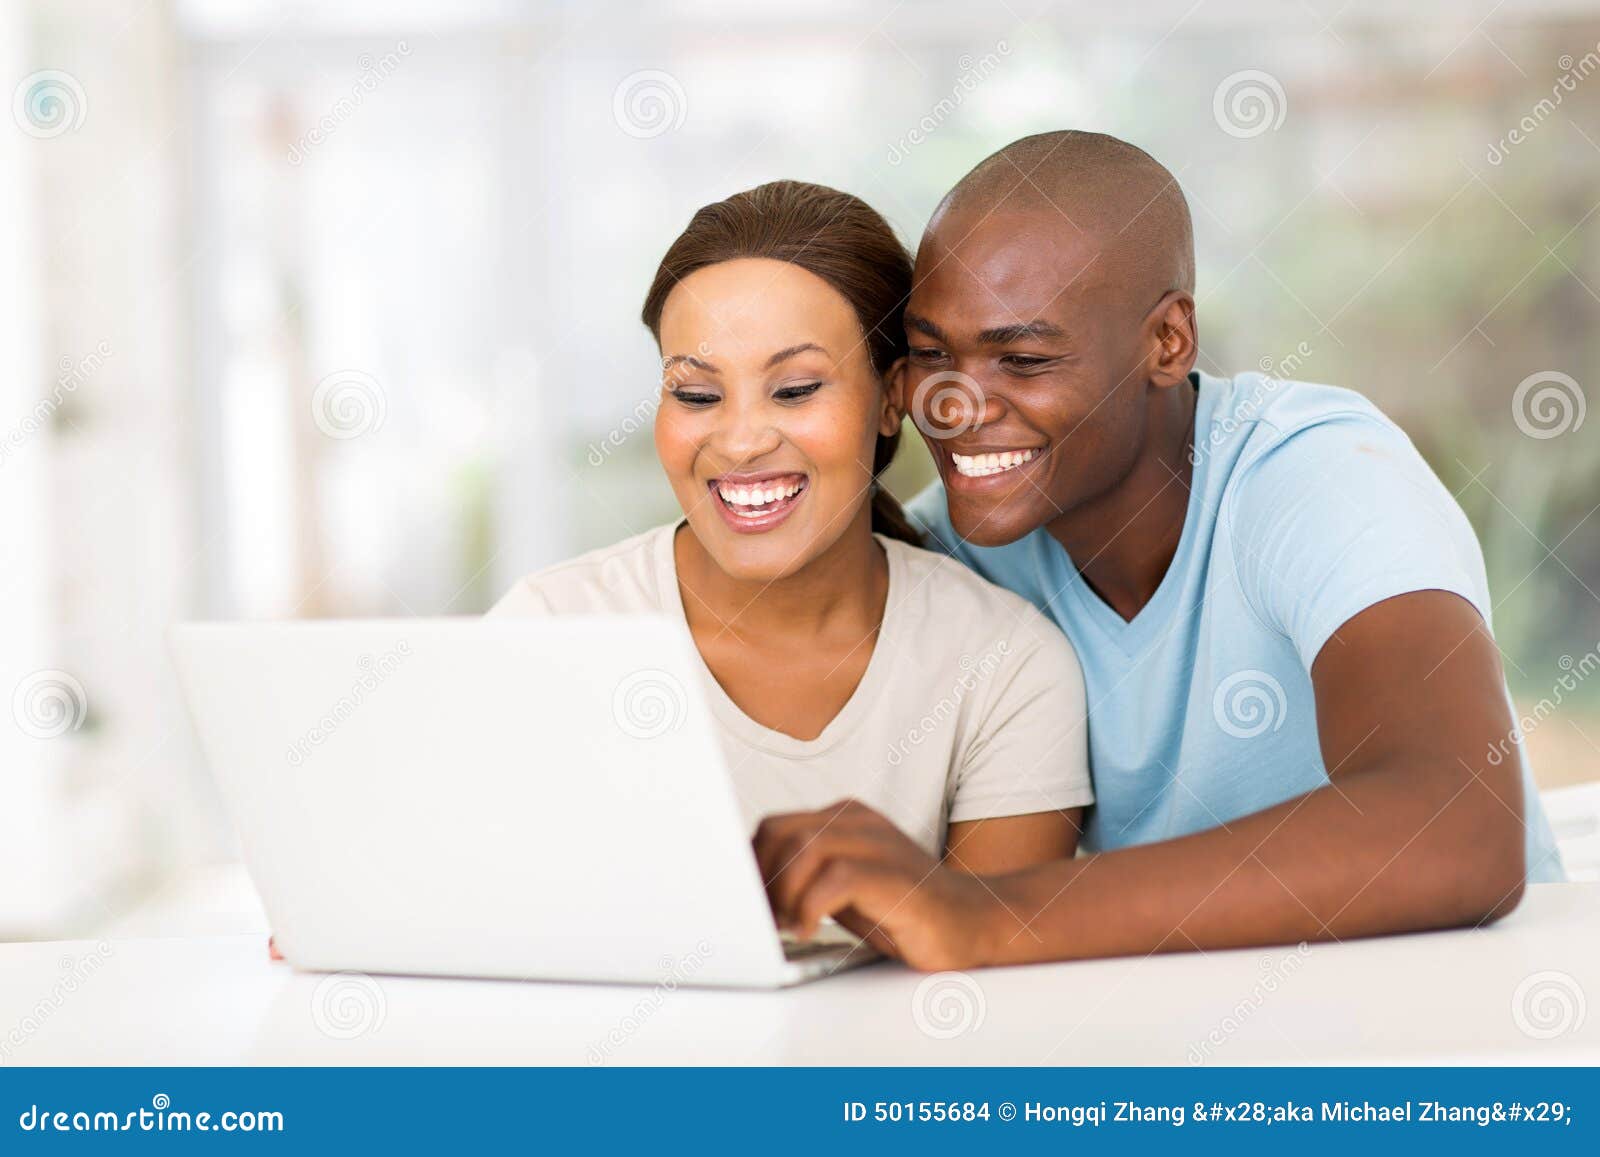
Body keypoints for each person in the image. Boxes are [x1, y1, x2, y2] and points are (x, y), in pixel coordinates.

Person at [752, 132, 1564, 971]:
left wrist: (983, 915)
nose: (953, 406)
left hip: (1467, 1010)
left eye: (1023, 359)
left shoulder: (1319, 476)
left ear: (1168, 342)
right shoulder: (949, 555)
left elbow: (1459, 828)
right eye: (930, 355)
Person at [488, 179, 1094, 875]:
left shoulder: (1005, 667)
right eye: (696, 394)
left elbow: (995, 938)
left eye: (796, 390)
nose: (741, 441)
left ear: (892, 398)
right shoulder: (548, 628)